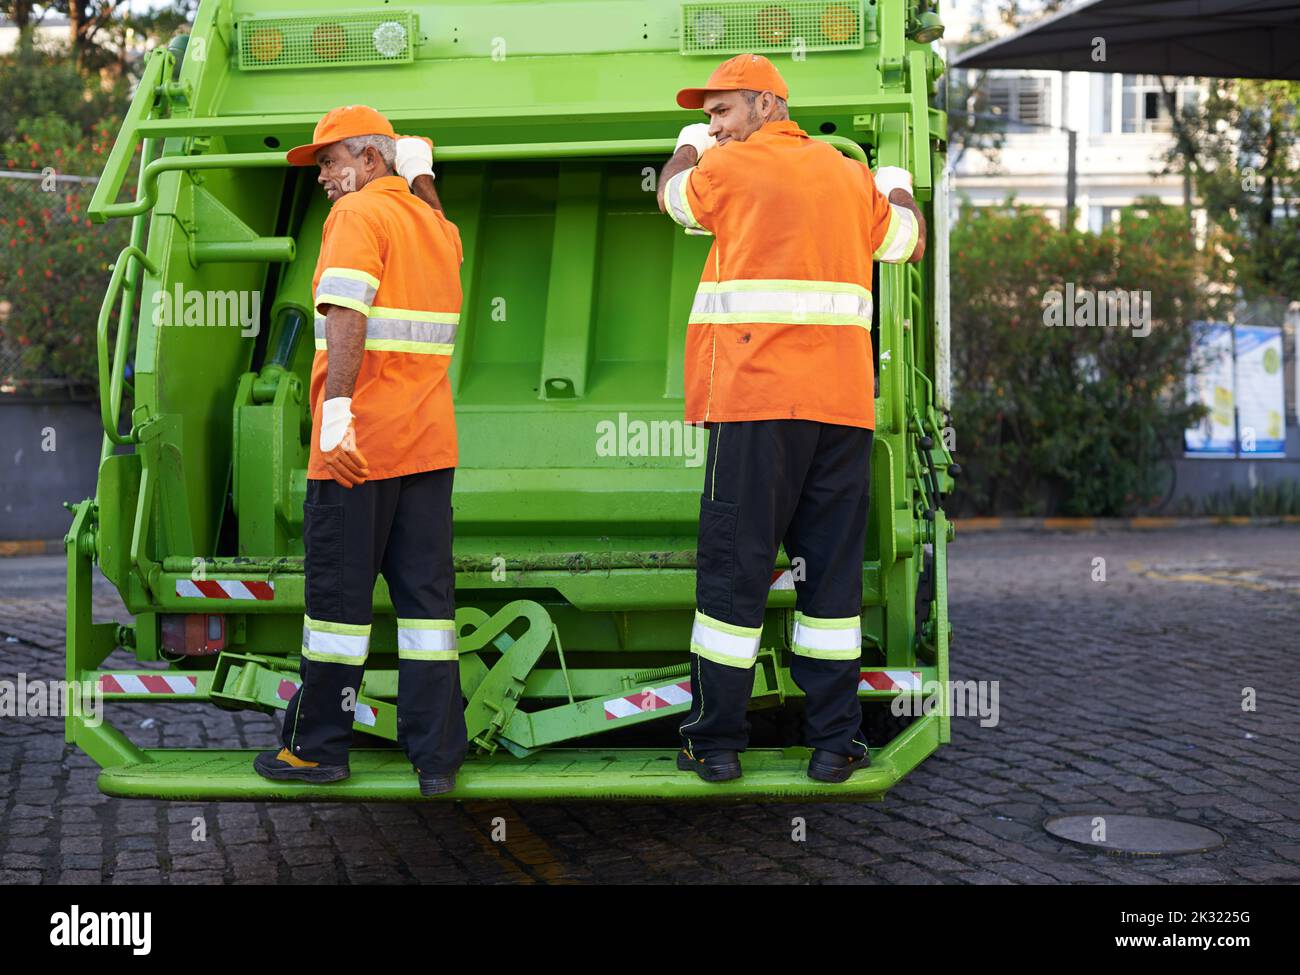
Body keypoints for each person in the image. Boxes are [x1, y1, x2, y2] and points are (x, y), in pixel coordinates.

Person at [656, 55, 926, 783]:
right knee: (830, 584)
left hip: (753, 410)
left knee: (733, 579)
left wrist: (688, 144)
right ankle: (835, 744)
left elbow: (673, 199)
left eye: (722, 113)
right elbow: (905, 240)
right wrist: (895, 183)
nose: (715, 126)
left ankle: (714, 743)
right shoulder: (845, 176)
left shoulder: (729, 169)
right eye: (708, 117)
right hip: (840, 414)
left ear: (767, 105)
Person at [253, 105, 468, 797]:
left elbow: (347, 311)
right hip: (427, 446)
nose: (322, 176)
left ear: (370, 161)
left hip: (359, 447)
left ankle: (317, 748)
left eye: (330, 160)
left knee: (338, 608)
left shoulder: (356, 217)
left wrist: (337, 413)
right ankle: (437, 757)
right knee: (428, 611)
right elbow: (445, 230)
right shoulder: (432, 225)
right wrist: (423, 175)